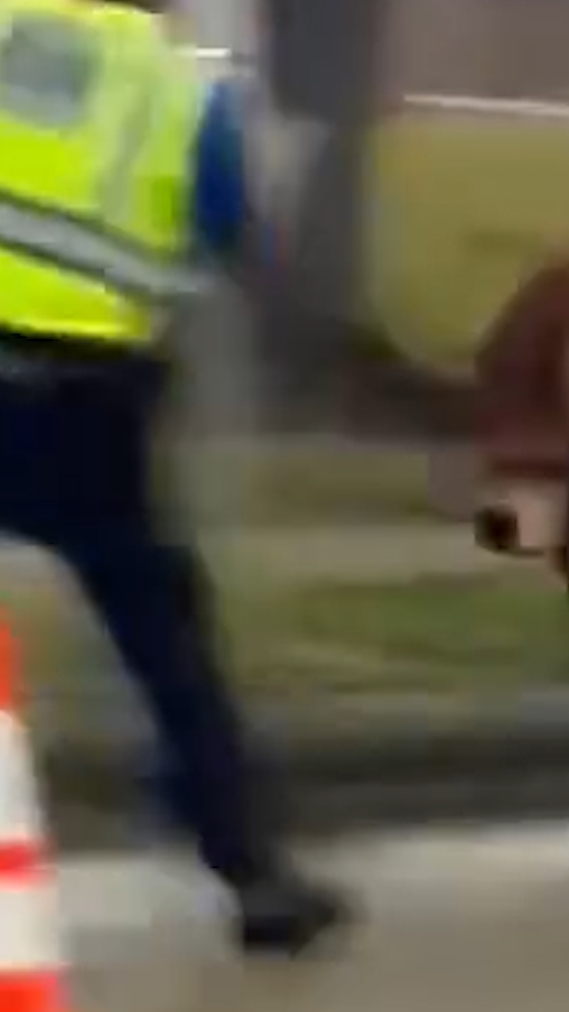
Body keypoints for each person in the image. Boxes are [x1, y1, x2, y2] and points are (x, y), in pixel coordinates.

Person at [0, 0, 350, 954]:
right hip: (82, 405)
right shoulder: (183, 89)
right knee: (161, 633)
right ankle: (252, 873)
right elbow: (228, 230)